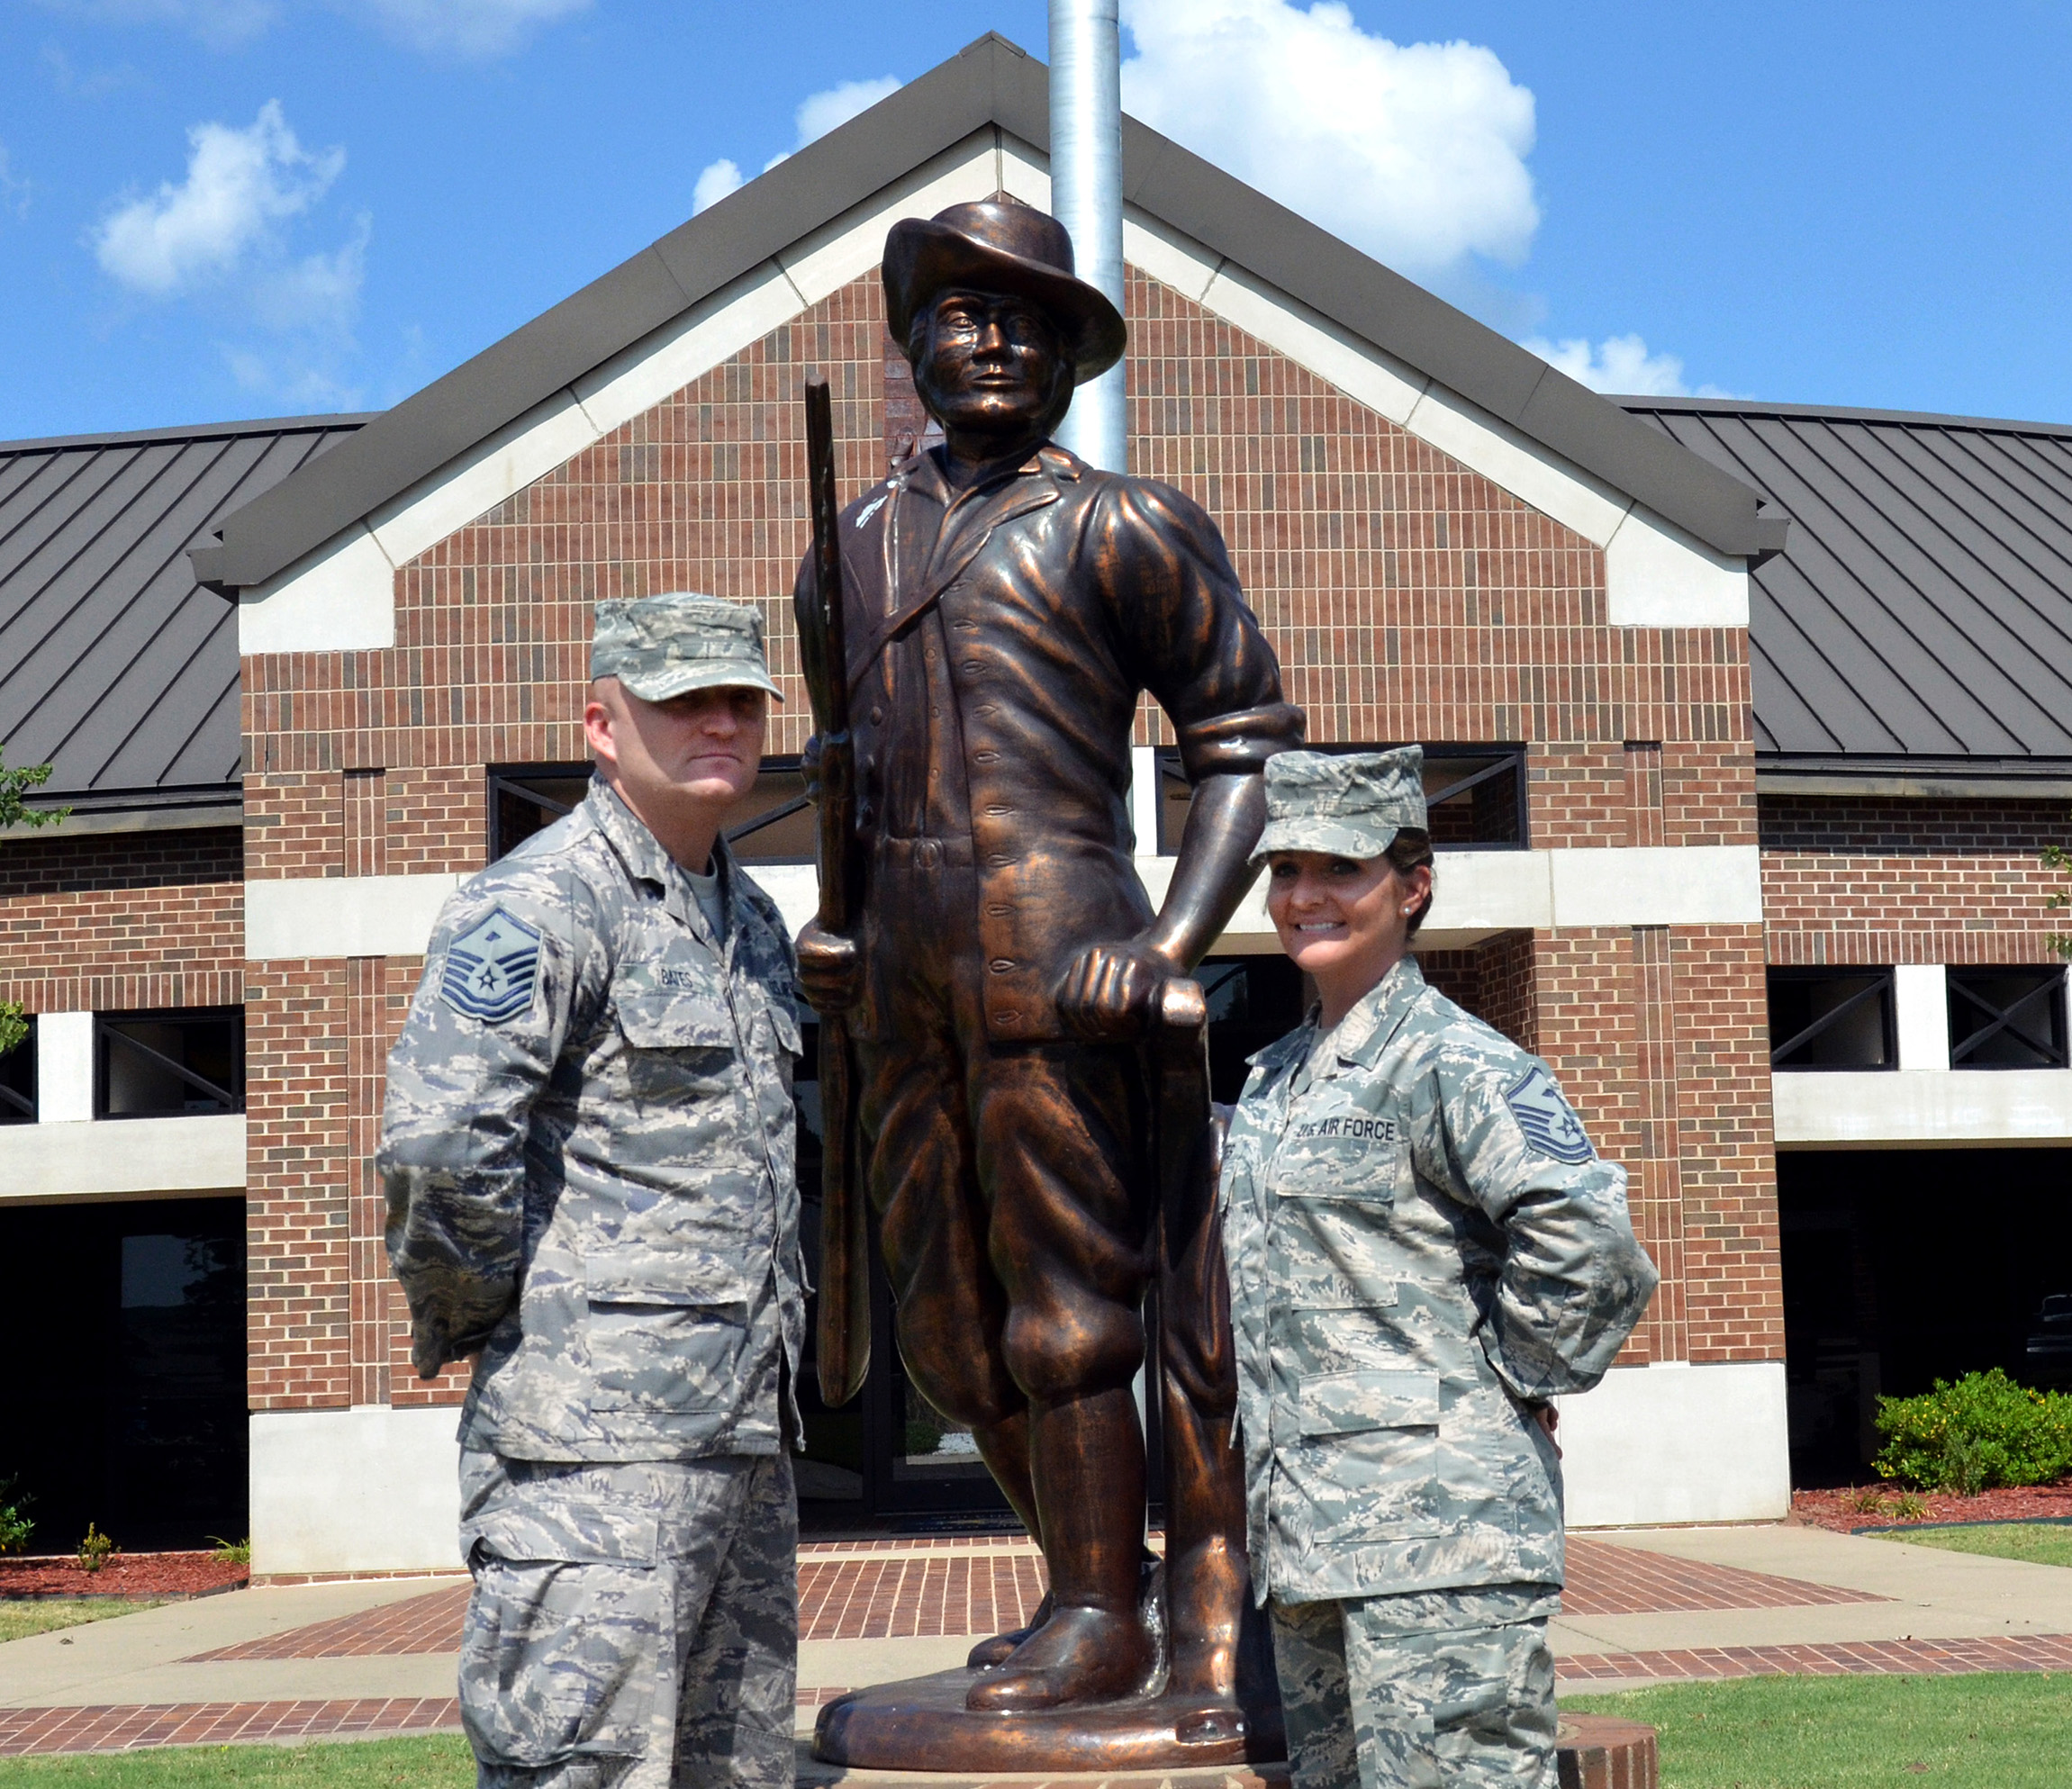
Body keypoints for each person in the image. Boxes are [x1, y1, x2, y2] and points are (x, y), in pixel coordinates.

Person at [793, 197, 1299, 1727]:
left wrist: (1166, 942)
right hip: (898, 988)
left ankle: (1103, 1610)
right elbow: (850, 779)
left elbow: (1240, 750)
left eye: (1029, 316)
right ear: (915, 342)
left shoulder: (1122, 524)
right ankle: (1098, 1580)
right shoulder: (849, 552)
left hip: (1060, 961)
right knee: (947, 1327)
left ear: (1073, 353)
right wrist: (837, 923)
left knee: (1072, 1307)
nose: (994, 337)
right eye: (961, 310)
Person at [379, 593, 808, 1789]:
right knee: (587, 1770)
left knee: (742, 1772)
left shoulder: (752, 917)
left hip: (743, 1445)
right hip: (590, 1465)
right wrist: (504, 1320)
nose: (719, 721)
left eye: (739, 700)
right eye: (682, 701)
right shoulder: (541, 900)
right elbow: (439, 1144)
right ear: (603, 724)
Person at [1217, 746, 1660, 1789]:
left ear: (1413, 885)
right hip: (1313, 1543)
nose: (1306, 895)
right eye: (1287, 870)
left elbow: (1589, 1238)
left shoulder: (1454, 1061)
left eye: (1342, 868)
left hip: (1443, 1546)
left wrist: (1508, 1382)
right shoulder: (1277, 1079)